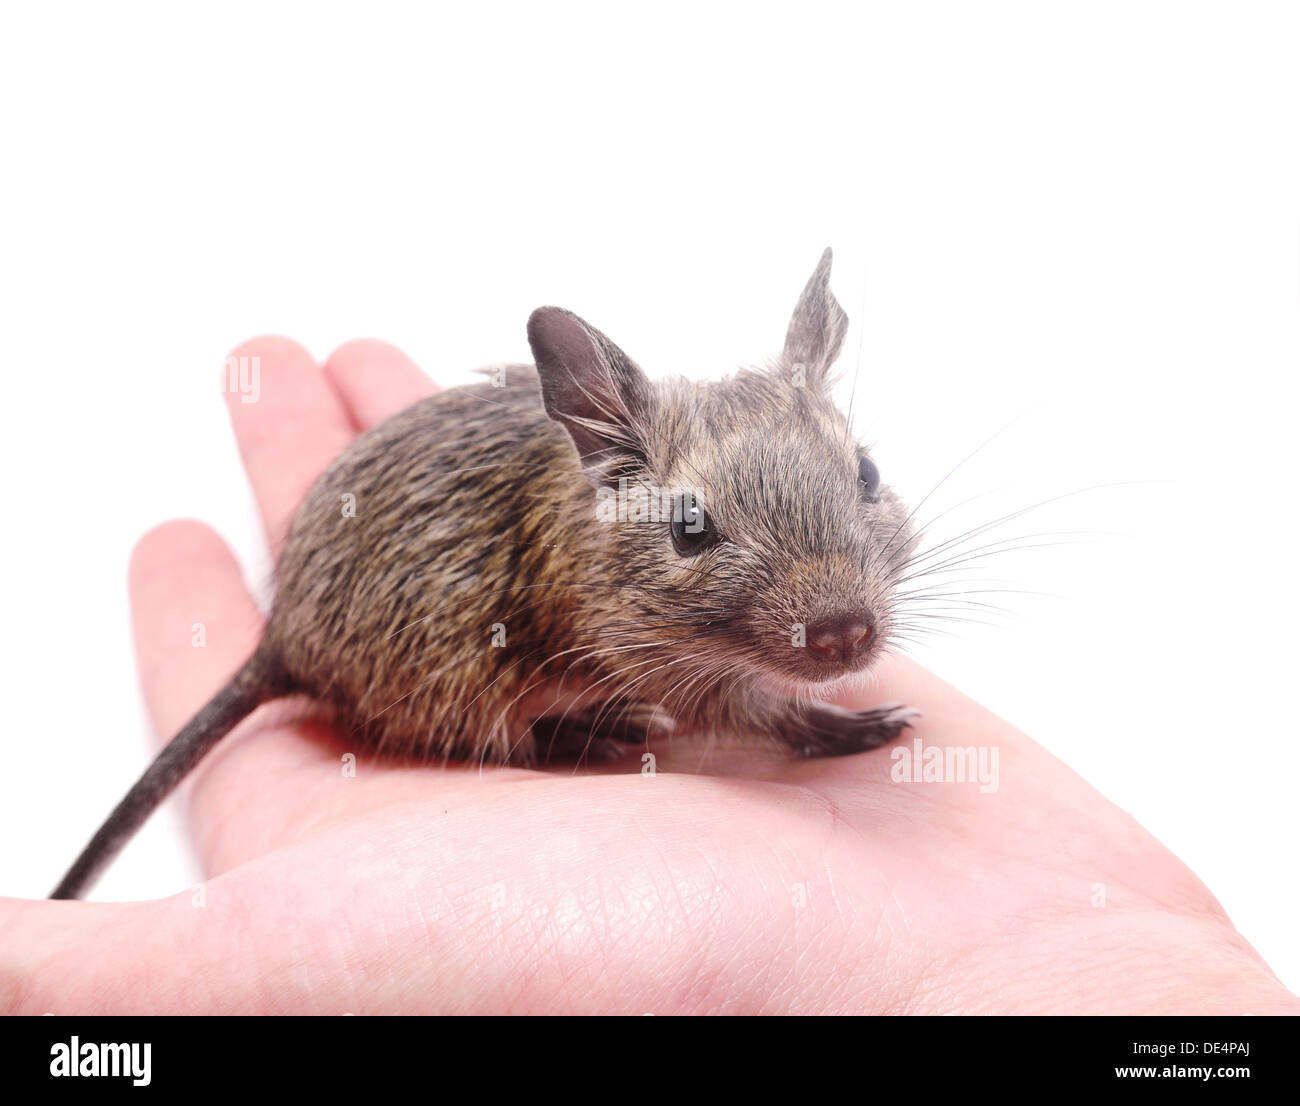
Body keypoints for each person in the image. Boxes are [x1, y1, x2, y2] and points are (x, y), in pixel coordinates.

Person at [3, 337, 1295, 1015]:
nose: (836, 614)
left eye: (854, 500)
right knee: (492, 670)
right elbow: (676, 671)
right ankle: (510, 738)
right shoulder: (614, 545)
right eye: (702, 535)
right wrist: (781, 720)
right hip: (391, 633)